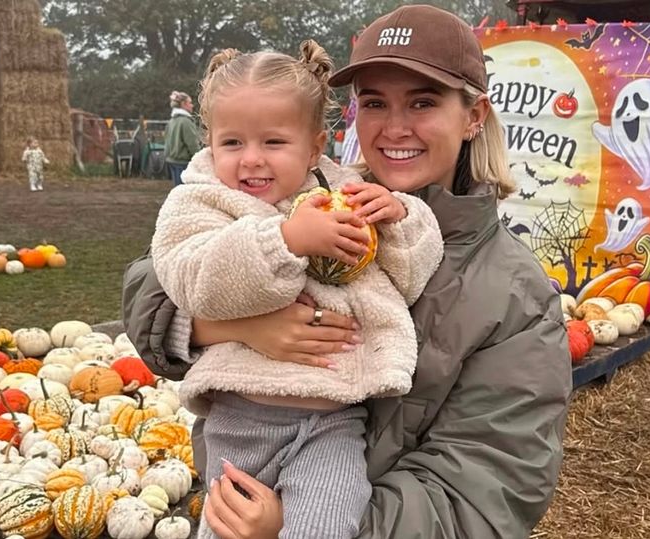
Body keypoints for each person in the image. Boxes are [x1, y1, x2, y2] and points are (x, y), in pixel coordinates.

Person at [123, 5, 572, 538]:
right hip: (242, 467)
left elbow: (487, 491)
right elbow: (155, 278)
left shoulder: (515, 294)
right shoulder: (304, 194)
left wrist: (296, 523)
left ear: (474, 114)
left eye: (423, 102)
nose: (395, 127)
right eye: (375, 102)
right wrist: (221, 328)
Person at [150, 40, 443, 539]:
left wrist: (399, 220)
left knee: (327, 524)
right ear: (209, 142)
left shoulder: (344, 194)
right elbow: (194, 280)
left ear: (314, 145)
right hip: (243, 418)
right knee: (227, 527)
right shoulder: (199, 204)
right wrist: (283, 240)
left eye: (273, 142)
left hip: (335, 420)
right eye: (233, 143)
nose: (251, 161)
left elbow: (409, 278)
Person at [164, 91, 201, 186]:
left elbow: (167, 143)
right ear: (183, 104)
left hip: (172, 161)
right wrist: (200, 161)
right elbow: (192, 144)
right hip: (183, 164)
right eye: (190, 102)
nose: (192, 105)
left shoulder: (171, 121)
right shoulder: (186, 122)